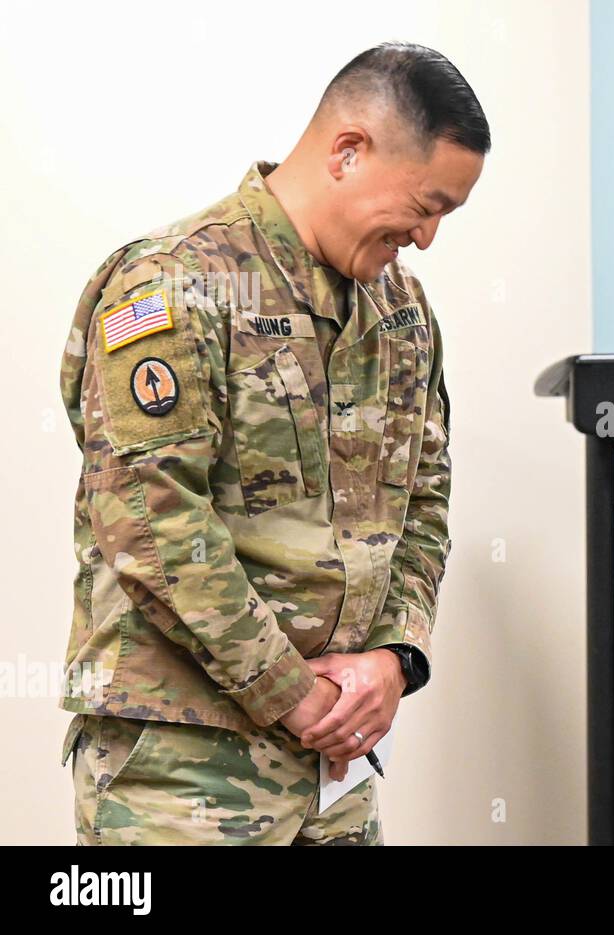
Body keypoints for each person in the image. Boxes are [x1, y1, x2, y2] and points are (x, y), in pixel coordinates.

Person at [58, 41, 489, 845]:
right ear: (348, 152)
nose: (427, 238)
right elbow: (154, 528)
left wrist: (396, 659)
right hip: (181, 778)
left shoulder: (402, 312)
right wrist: (290, 691)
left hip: (335, 780)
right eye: (426, 205)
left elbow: (423, 500)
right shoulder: (174, 283)